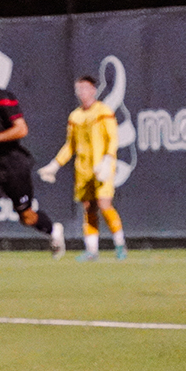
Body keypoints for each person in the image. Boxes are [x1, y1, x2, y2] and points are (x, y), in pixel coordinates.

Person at [0, 53, 66, 291]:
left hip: (12, 165)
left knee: (27, 216)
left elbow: (21, 129)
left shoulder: (4, 97)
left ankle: (53, 230)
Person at [37, 75, 127, 261]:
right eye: (79, 89)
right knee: (88, 207)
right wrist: (55, 165)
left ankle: (119, 244)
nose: (82, 92)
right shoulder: (75, 116)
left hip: (102, 166)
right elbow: (70, 145)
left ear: (93, 90)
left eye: (86, 88)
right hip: (83, 169)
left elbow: (113, 137)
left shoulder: (103, 111)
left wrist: (109, 159)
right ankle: (92, 250)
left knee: (104, 204)